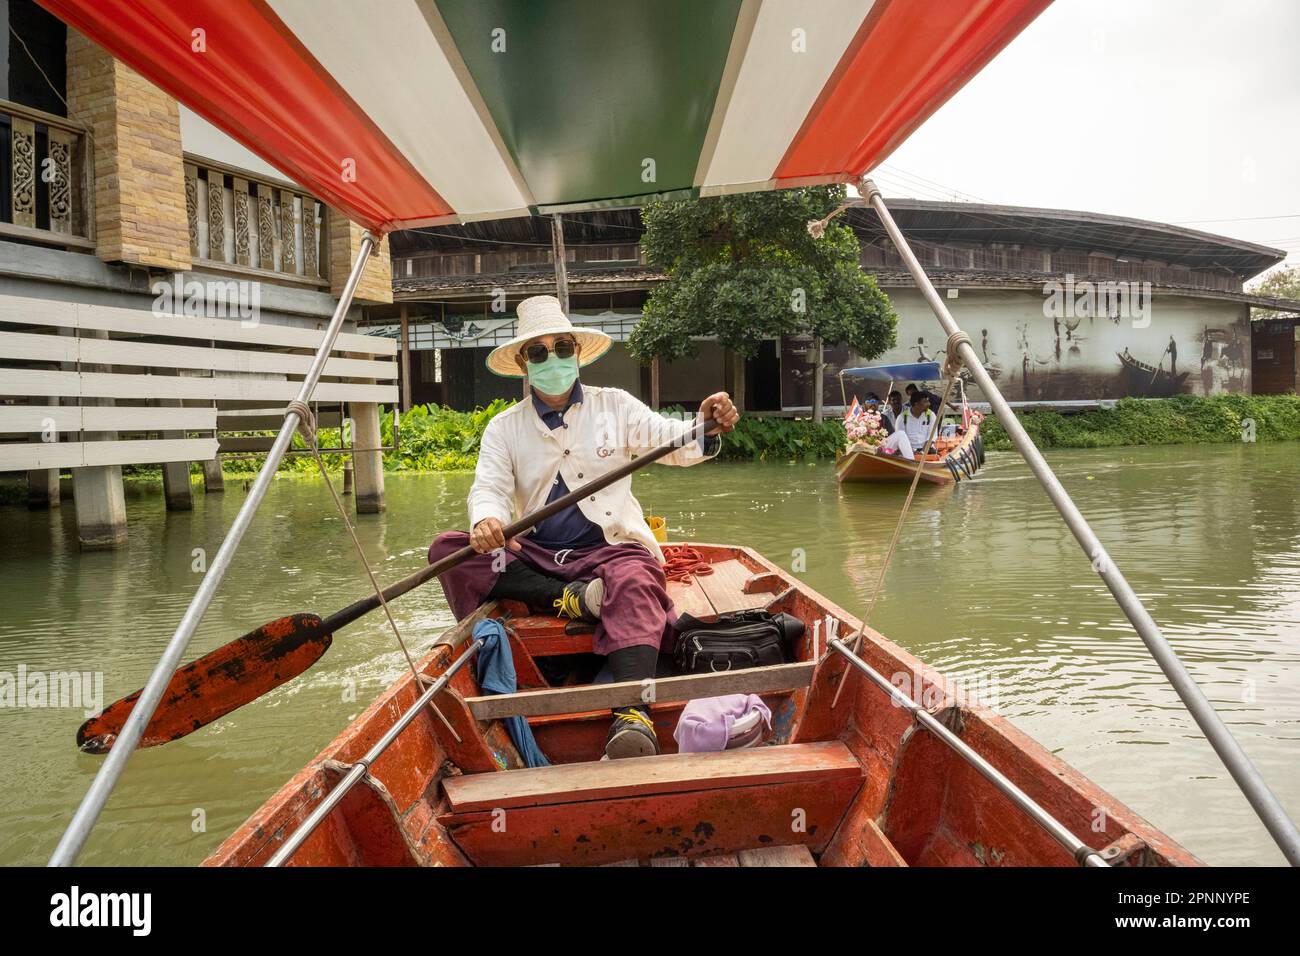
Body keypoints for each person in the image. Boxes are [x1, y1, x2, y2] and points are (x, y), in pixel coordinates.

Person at [428, 295, 739, 761]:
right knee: (448, 549)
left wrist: (704, 425)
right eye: (538, 352)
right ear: (522, 364)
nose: (551, 359)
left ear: (576, 353)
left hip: (611, 549)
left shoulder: (615, 406)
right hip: (541, 556)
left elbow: (668, 440)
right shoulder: (504, 428)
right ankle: (570, 599)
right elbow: (488, 488)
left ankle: (631, 711)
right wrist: (488, 520)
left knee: (635, 579)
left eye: (561, 348)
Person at [879, 393, 939, 460]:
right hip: (907, 449)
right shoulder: (902, 417)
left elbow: (932, 437)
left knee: (935, 455)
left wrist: (922, 452)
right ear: (916, 404)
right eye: (925, 402)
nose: (929, 404)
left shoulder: (931, 415)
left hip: (927, 448)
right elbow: (900, 439)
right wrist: (912, 451)